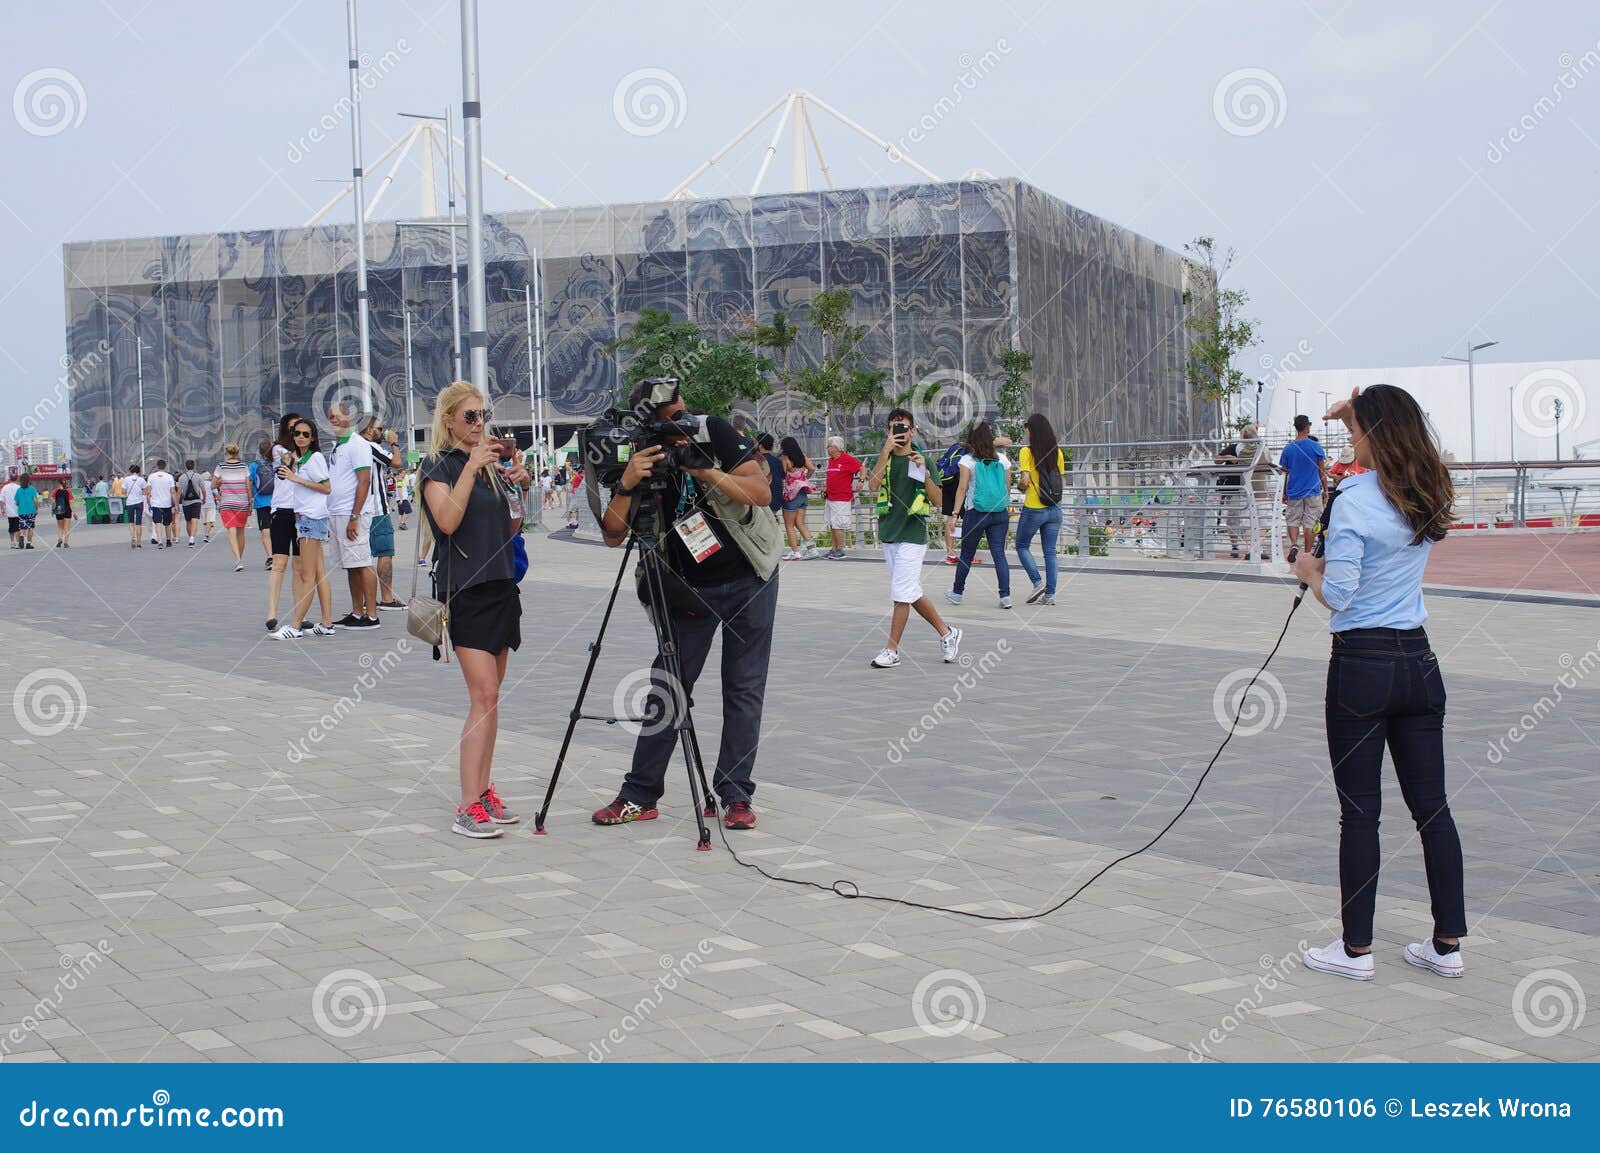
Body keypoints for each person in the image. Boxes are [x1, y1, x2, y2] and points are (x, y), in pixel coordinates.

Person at [1294, 384, 1467, 983]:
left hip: (1362, 663)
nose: (1349, 438)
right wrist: (1353, 413)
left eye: (1355, 429)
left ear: (1374, 434)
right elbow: (1374, 449)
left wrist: (1307, 570)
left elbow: (1338, 594)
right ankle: (1447, 945)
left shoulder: (1353, 497)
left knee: (1360, 811)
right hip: (1419, 661)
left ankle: (1355, 950)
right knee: (1432, 809)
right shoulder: (1425, 489)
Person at [591, 378, 776, 831]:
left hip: (750, 577)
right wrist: (630, 481)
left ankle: (735, 795)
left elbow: (761, 493)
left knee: (743, 689)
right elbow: (613, 534)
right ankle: (639, 794)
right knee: (667, 688)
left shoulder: (711, 431)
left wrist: (704, 469)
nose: (681, 421)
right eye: (669, 417)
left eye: (680, 409)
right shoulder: (638, 452)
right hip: (686, 590)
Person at [419, 382, 530, 839]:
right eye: (470, 416)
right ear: (448, 421)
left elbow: (512, 526)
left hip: (502, 584)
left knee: (492, 698)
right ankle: (466, 806)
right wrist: (472, 468)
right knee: (482, 696)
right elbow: (446, 522)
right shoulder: (437, 467)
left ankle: (483, 792)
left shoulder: (488, 467)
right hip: (465, 590)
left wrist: (518, 486)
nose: (480, 423)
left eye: (483, 415)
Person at [867, 408, 962, 668]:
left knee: (900, 595)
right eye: (894, 427)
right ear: (888, 432)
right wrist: (885, 452)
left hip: (912, 535)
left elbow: (938, 500)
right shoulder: (883, 458)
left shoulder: (921, 459)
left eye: (904, 427)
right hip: (889, 534)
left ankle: (892, 650)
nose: (900, 432)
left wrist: (925, 472)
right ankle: (947, 632)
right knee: (910, 592)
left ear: (913, 431)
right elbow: (872, 486)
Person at [273, 418, 335, 640]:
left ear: (313, 438)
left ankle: (296, 625)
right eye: (297, 433)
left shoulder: (315, 458)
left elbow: (327, 487)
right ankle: (327, 623)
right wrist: (291, 467)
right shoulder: (300, 459)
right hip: (307, 518)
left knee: (307, 575)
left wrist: (296, 478)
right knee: (318, 573)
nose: (300, 437)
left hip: (311, 519)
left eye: (305, 434)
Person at [946, 421, 1013, 608]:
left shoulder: (967, 461)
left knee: (966, 554)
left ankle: (957, 593)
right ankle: (1005, 596)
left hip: (976, 513)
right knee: (999, 554)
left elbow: (962, 488)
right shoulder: (1003, 460)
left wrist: (953, 514)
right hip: (999, 513)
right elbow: (1007, 488)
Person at [326, 401, 380, 629]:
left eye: (337, 416)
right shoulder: (337, 446)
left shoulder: (358, 444)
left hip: (353, 513)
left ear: (349, 418)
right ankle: (357, 612)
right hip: (337, 512)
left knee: (363, 562)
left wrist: (354, 516)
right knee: (351, 565)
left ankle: (372, 614)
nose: (333, 420)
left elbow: (364, 480)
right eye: (330, 417)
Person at [1014, 413, 1065, 605]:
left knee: (1021, 545)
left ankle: (1037, 583)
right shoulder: (1057, 452)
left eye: (1027, 426)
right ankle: (1049, 595)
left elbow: (1025, 481)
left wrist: (1019, 486)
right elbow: (1061, 480)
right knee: (1050, 552)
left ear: (1032, 430)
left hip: (1034, 508)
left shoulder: (1026, 452)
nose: (1026, 430)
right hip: (1054, 508)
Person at [265, 413, 305, 632]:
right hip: (282, 510)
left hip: (302, 512)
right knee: (279, 563)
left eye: (300, 430)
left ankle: (299, 614)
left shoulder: (310, 454)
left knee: (300, 567)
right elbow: (285, 469)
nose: (297, 434)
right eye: (292, 429)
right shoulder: (278, 449)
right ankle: (271, 613)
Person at [365, 420, 404, 612]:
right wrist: (394, 443)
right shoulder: (371, 447)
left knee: (365, 558)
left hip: (361, 511)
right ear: (370, 430)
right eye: (380, 429)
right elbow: (397, 462)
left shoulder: (353, 447)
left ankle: (367, 600)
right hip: (376, 510)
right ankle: (386, 599)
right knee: (384, 553)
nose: (383, 432)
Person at [1279, 414, 1327, 556]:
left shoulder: (1288, 449)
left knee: (1292, 519)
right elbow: (1321, 471)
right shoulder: (1315, 447)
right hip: (1313, 490)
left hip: (1294, 490)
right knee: (1310, 522)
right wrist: (1325, 490)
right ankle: (1307, 553)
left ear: (1295, 427)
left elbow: (1285, 473)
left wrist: (1283, 492)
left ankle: (1294, 545)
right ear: (1307, 427)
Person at [214, 444, 253, 571]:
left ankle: (237, 560)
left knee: (231, 531)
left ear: (227, 453)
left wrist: (220, 481)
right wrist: (250, 503)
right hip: (242, 503)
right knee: (241, 532)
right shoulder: (244, 466)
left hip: (227, 503)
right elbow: (248, 486)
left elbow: (212, 485)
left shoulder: (221, 466)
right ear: (237, 453)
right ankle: (239, 559)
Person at [822, 436, 862, 559]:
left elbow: (862, 468)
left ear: (837, 448)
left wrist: (861, 480)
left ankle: (840, 549)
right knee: (832, 524)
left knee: (838, 524)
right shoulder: (830, 460)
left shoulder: (847, 459)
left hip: (842, 498)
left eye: (829, 446)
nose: (827, 448)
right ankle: (833, 549)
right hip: (830, 497)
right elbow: (830, 477)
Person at [779, 435, 818, 560]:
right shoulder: (802, 457)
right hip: (803, 493)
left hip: (791, 495)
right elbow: (811, 469)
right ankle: (812, 550)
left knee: (789, 525)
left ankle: (795, 552)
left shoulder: (785, 459)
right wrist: (804, 478)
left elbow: (782, 475)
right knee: (800, 523)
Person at [250, 439, 276, 567]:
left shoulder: (254, 465)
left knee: (265, 529)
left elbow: (250, 481)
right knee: (276, 529)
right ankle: (278, 555)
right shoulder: (274, 464)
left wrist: (250, 498)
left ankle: (270, 557)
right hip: (276, 501)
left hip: (260, 501)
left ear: (259, 451)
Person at [147, 459, 177, 548]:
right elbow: (173, 492)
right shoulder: (169, 477)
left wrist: (149, 503)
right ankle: (168, 540)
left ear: (157, 466)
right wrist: (175, 504)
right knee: (168, 523)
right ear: (165, 466)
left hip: (156, 503)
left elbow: (148, 491)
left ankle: (159, 541)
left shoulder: (151, 477)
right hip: (167, 503)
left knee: (158, 523)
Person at [176, 459, 205, 546]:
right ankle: (192, 538)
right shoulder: (198, 476)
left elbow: (179, 492)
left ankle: (190, 537)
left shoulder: (181, 477)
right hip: (196, 501)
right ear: (194, 466)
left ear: (186, 466)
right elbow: (203, 489)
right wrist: (204, 498)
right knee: (195, 519)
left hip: (186, 502)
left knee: (188, 521)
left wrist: (177, 504)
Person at [757, 432, 783, 520]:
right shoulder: (778, 461)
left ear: (760, 446)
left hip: (762, 501)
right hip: (776, 500)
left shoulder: (757, 462)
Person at [121, 465, 147, 549]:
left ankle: (133, 537)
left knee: (131, 522)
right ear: (138, 471)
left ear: (130, 471)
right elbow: (145, 491)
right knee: (138, 522)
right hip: (139, 502)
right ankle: (139, 542)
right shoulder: (141, 480)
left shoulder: (126, 479)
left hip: (130, 503)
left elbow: (123, 492)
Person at [13, 473, 39, 550]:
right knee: (31, 527)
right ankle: (29, 543)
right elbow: (35, 500)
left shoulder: (19, 490)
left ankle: (21, 536)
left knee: (22, 526)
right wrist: (36, 508)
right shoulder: (32, 489)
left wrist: (20, 505)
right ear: (28, 480)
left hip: (21, 511)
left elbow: (16, 502)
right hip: (31, 511)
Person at [51, 479, 72, 548]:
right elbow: (71, 503)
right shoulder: (68, 491)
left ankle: (60, 539)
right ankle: (66, 542)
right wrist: (74, 512)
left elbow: (53, 502)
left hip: (59, 511)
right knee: (66, 528)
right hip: (67, 511)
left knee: (60, 527)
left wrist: (53, 510)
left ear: (58, 483)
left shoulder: (55, 491)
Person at [1, 474, 19, 549]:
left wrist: (3, 509)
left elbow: (1, 500)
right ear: (17, 479)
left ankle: (12, 542)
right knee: (17, 527)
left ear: (10, 479)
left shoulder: (5, 487)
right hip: (18, 510)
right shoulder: (19, 487)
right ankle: (17, 543)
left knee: (11, 527)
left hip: (9, 511)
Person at [199, 469, 218, 542]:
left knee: (206, 522)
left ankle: (206, 534)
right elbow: (217, 495)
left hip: (202, 505)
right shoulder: (211, 484)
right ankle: (206, 535)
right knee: (210, 521)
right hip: (211, 505)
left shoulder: (199, 484)